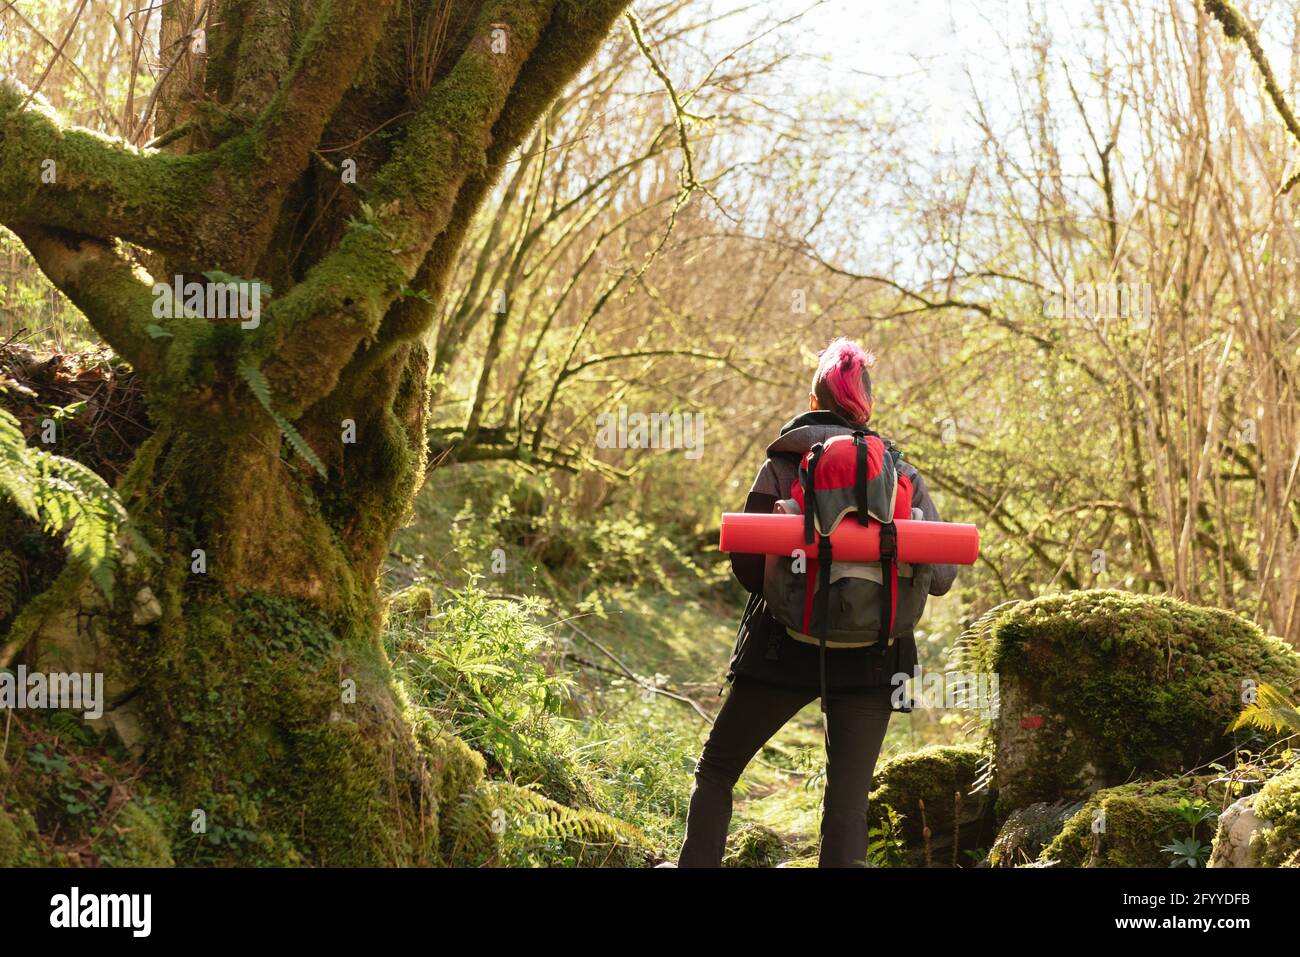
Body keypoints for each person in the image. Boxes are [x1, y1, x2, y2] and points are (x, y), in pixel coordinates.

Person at [676, 337, 957, 868]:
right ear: (866, 405)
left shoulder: (783, 464)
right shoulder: (901, 474)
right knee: (847, 805)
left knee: (717, 770)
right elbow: (940, 578)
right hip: (877, 659)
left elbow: (747, 568)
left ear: (813, 400)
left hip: (782, 649)